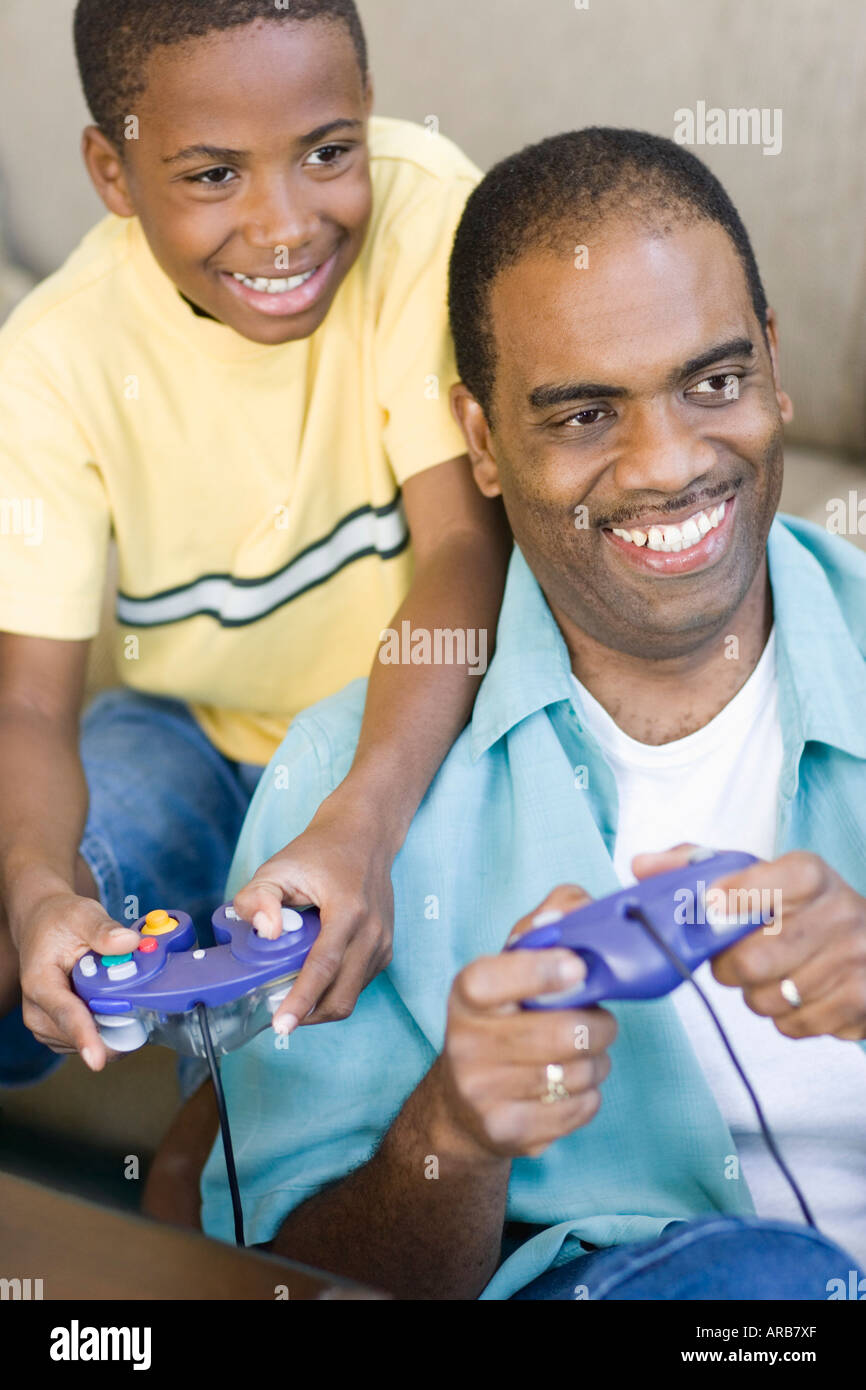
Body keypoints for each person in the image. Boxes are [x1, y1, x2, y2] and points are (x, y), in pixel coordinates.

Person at [199, 128, 866, 1300]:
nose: (666, 465)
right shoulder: (336, 804)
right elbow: (287, 1282)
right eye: (581, 416)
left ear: (771, 361)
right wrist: (453, 1131)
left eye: (712, 382)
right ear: (482, 445)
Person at [0, 0, 510, 1097]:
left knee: (332, 1061)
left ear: (366, 116)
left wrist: (357, 820)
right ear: (111, 171)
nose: (283, 225)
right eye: (212, 175)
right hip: (189, 736)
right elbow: (33, 705)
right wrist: (41, 889)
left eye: (326, 153)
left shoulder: (425, 217)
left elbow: (464, 551)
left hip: (400, 733)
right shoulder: (49, 361)